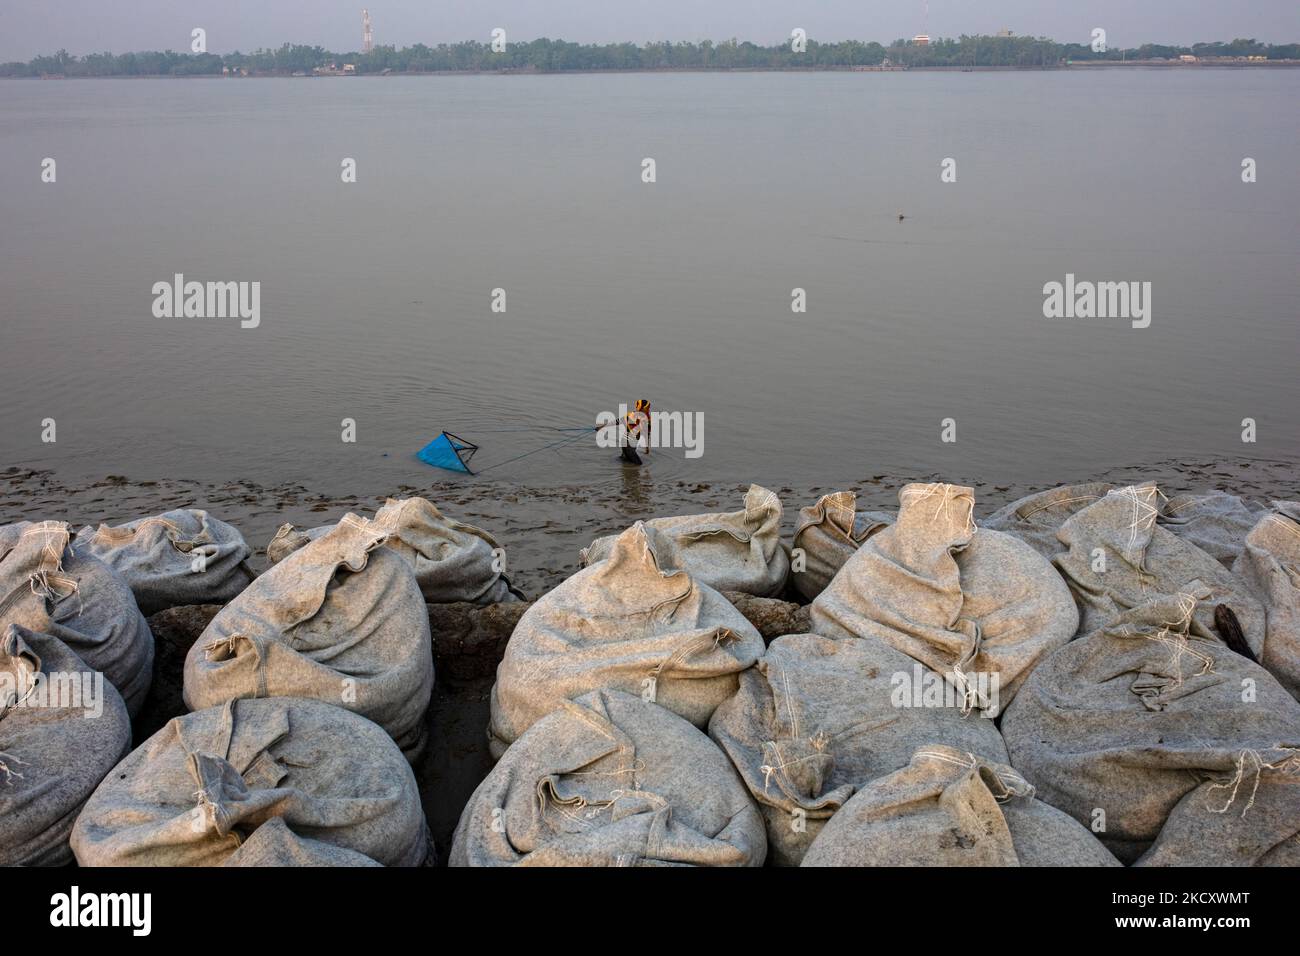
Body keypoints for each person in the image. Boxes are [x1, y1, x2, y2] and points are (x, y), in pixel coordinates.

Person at [622, 399, 651, 464]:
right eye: (647, 408)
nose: (648, 409)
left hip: (627, 443)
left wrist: (647, 447)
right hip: (629, 445)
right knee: (639, 464)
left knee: (625, 461)